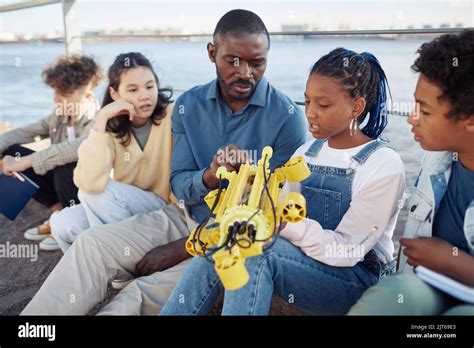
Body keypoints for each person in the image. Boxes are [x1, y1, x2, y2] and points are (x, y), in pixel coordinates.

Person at [21, 9, 307, 315]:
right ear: (212, 53)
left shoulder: (287, 118)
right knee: (90, 245)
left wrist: (182, 247)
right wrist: (209, 176)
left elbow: (269, 217)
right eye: (233, 60)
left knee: (135, 297)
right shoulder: (189, 105)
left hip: (232, 245)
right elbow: (180, 183)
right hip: (181, 216)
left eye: (257, 62)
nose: (246, 72)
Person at [160, 47, 406, 315]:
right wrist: (251, 188)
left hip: (357, 281)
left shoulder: (381, 163)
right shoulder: (306, 153)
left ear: (356, 107)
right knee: (225, 240)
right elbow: (277, 209)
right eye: (307, 101)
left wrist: (284, 224)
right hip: (306, 262)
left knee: (254, 252)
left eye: (323, 105)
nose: (310, 113)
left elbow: (346, 250)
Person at [348, 29, 474, 316]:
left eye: (425, 111)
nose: (411, 117)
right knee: (398, 294)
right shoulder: (435, 163)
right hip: (427, 290)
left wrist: (452, 262)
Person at [50, 52, 173, 253]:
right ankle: (108, 259)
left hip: (164, 210)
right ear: (114, 94)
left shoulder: (173, 115)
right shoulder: (109, 126)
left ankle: (120, 258)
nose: (144, 95)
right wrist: (101, 120)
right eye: (133, 89)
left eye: (150, 87)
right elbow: (88, 182)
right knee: (62, 223)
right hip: (125, 211)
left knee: (98, 195)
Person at [0, 54, 102, 251]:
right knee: (13, 151)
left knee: (64, 164)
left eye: (63, 94)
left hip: (91, 190)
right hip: (63, 186)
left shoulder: (99, 119)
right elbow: (25, 132)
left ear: (87, 96)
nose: (55, 99)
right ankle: (59, 215)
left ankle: (74, 223)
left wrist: (24, 162)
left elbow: (77, 149)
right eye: (55, 91)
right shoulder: (59, 116)